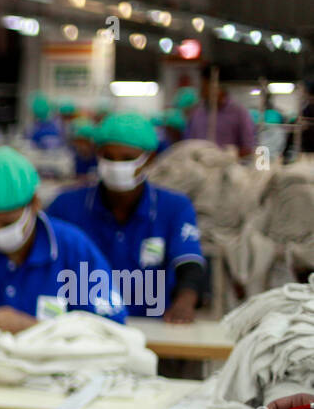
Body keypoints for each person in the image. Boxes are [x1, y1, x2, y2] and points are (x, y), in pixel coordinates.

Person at [0, 146, 126, 332]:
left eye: (7, 224)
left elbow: (112, 328)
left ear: (35, 203)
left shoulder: (74, 250)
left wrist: (32, 327)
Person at [47, 113, 206, 323]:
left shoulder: (173, 208)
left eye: (127, 158)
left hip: (153, 324)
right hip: (84, 327)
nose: (116, 165)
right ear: (97, 154)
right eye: (108, 157)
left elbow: (189, 263)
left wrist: (185, 302)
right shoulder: (66, 207)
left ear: (149, 158)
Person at [184, 70, 255, 155]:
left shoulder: (239, 113)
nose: (203, 91)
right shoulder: (197, 113)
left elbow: (248, 147)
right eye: (203, 87)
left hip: (229, 165)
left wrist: (227, 156)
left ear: (219, 87)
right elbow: (188, 144)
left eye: (207, 87)